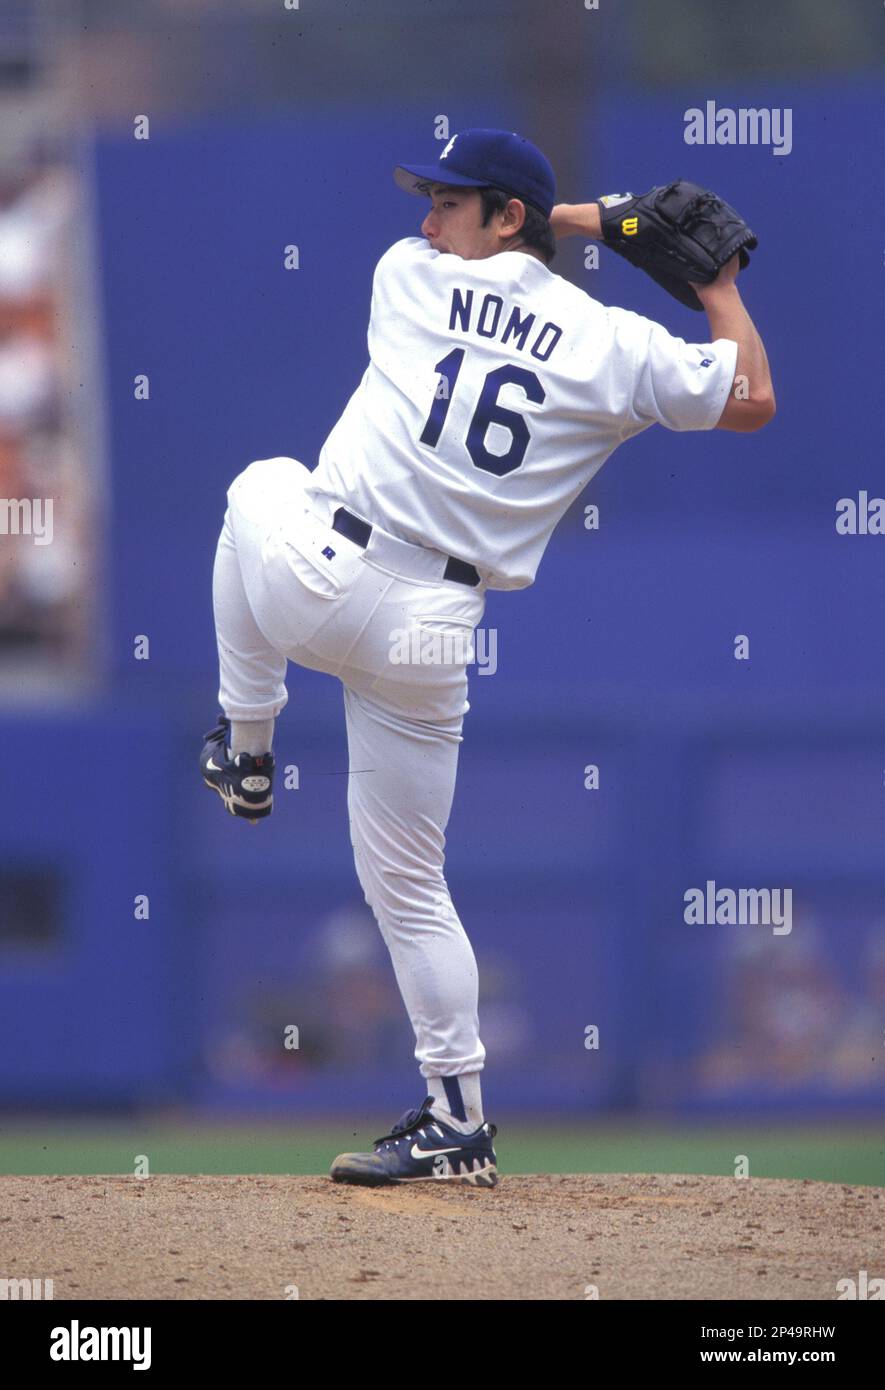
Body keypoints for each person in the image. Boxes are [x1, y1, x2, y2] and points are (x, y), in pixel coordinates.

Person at [200, 128, 775, 1188]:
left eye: (452, 202)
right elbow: (750, 399)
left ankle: (245, 746)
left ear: (504, 217)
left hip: (325, 571)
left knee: (252, 484)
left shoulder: (406, 279)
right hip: (434, 629)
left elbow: (491, 274)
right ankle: (459, 1120)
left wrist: (566, 215)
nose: (427, 220)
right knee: (415, 889)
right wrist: (716, 283)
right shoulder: (615, 344)